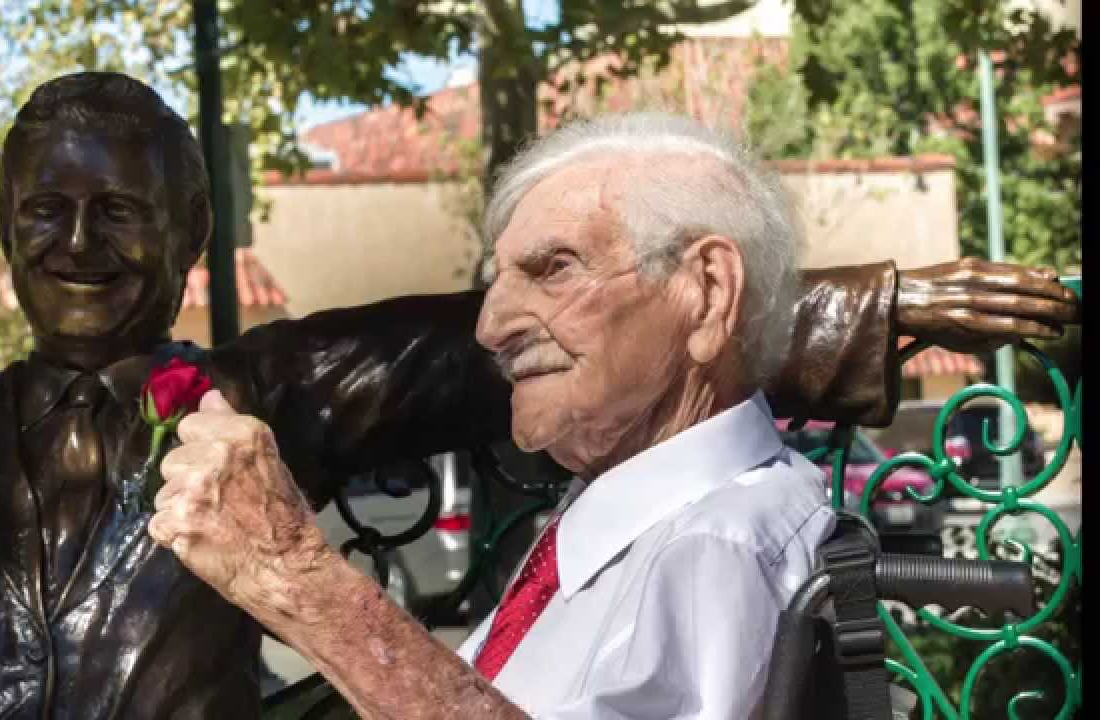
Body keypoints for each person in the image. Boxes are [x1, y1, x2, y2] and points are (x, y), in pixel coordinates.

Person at [0, 71, 1076, 720]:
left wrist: (879, 304)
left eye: (118, 210)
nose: (77, 243)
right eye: (44, 212)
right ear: (1, 229)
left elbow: (581, 335)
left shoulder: (262, 395)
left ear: (192, 233)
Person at [148, 112, 1079, 719]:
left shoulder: (716, 540)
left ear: (707, 292)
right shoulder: (634, 518)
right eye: (498, 279)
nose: (491, 325)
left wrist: (297, 580)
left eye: (551, 269)